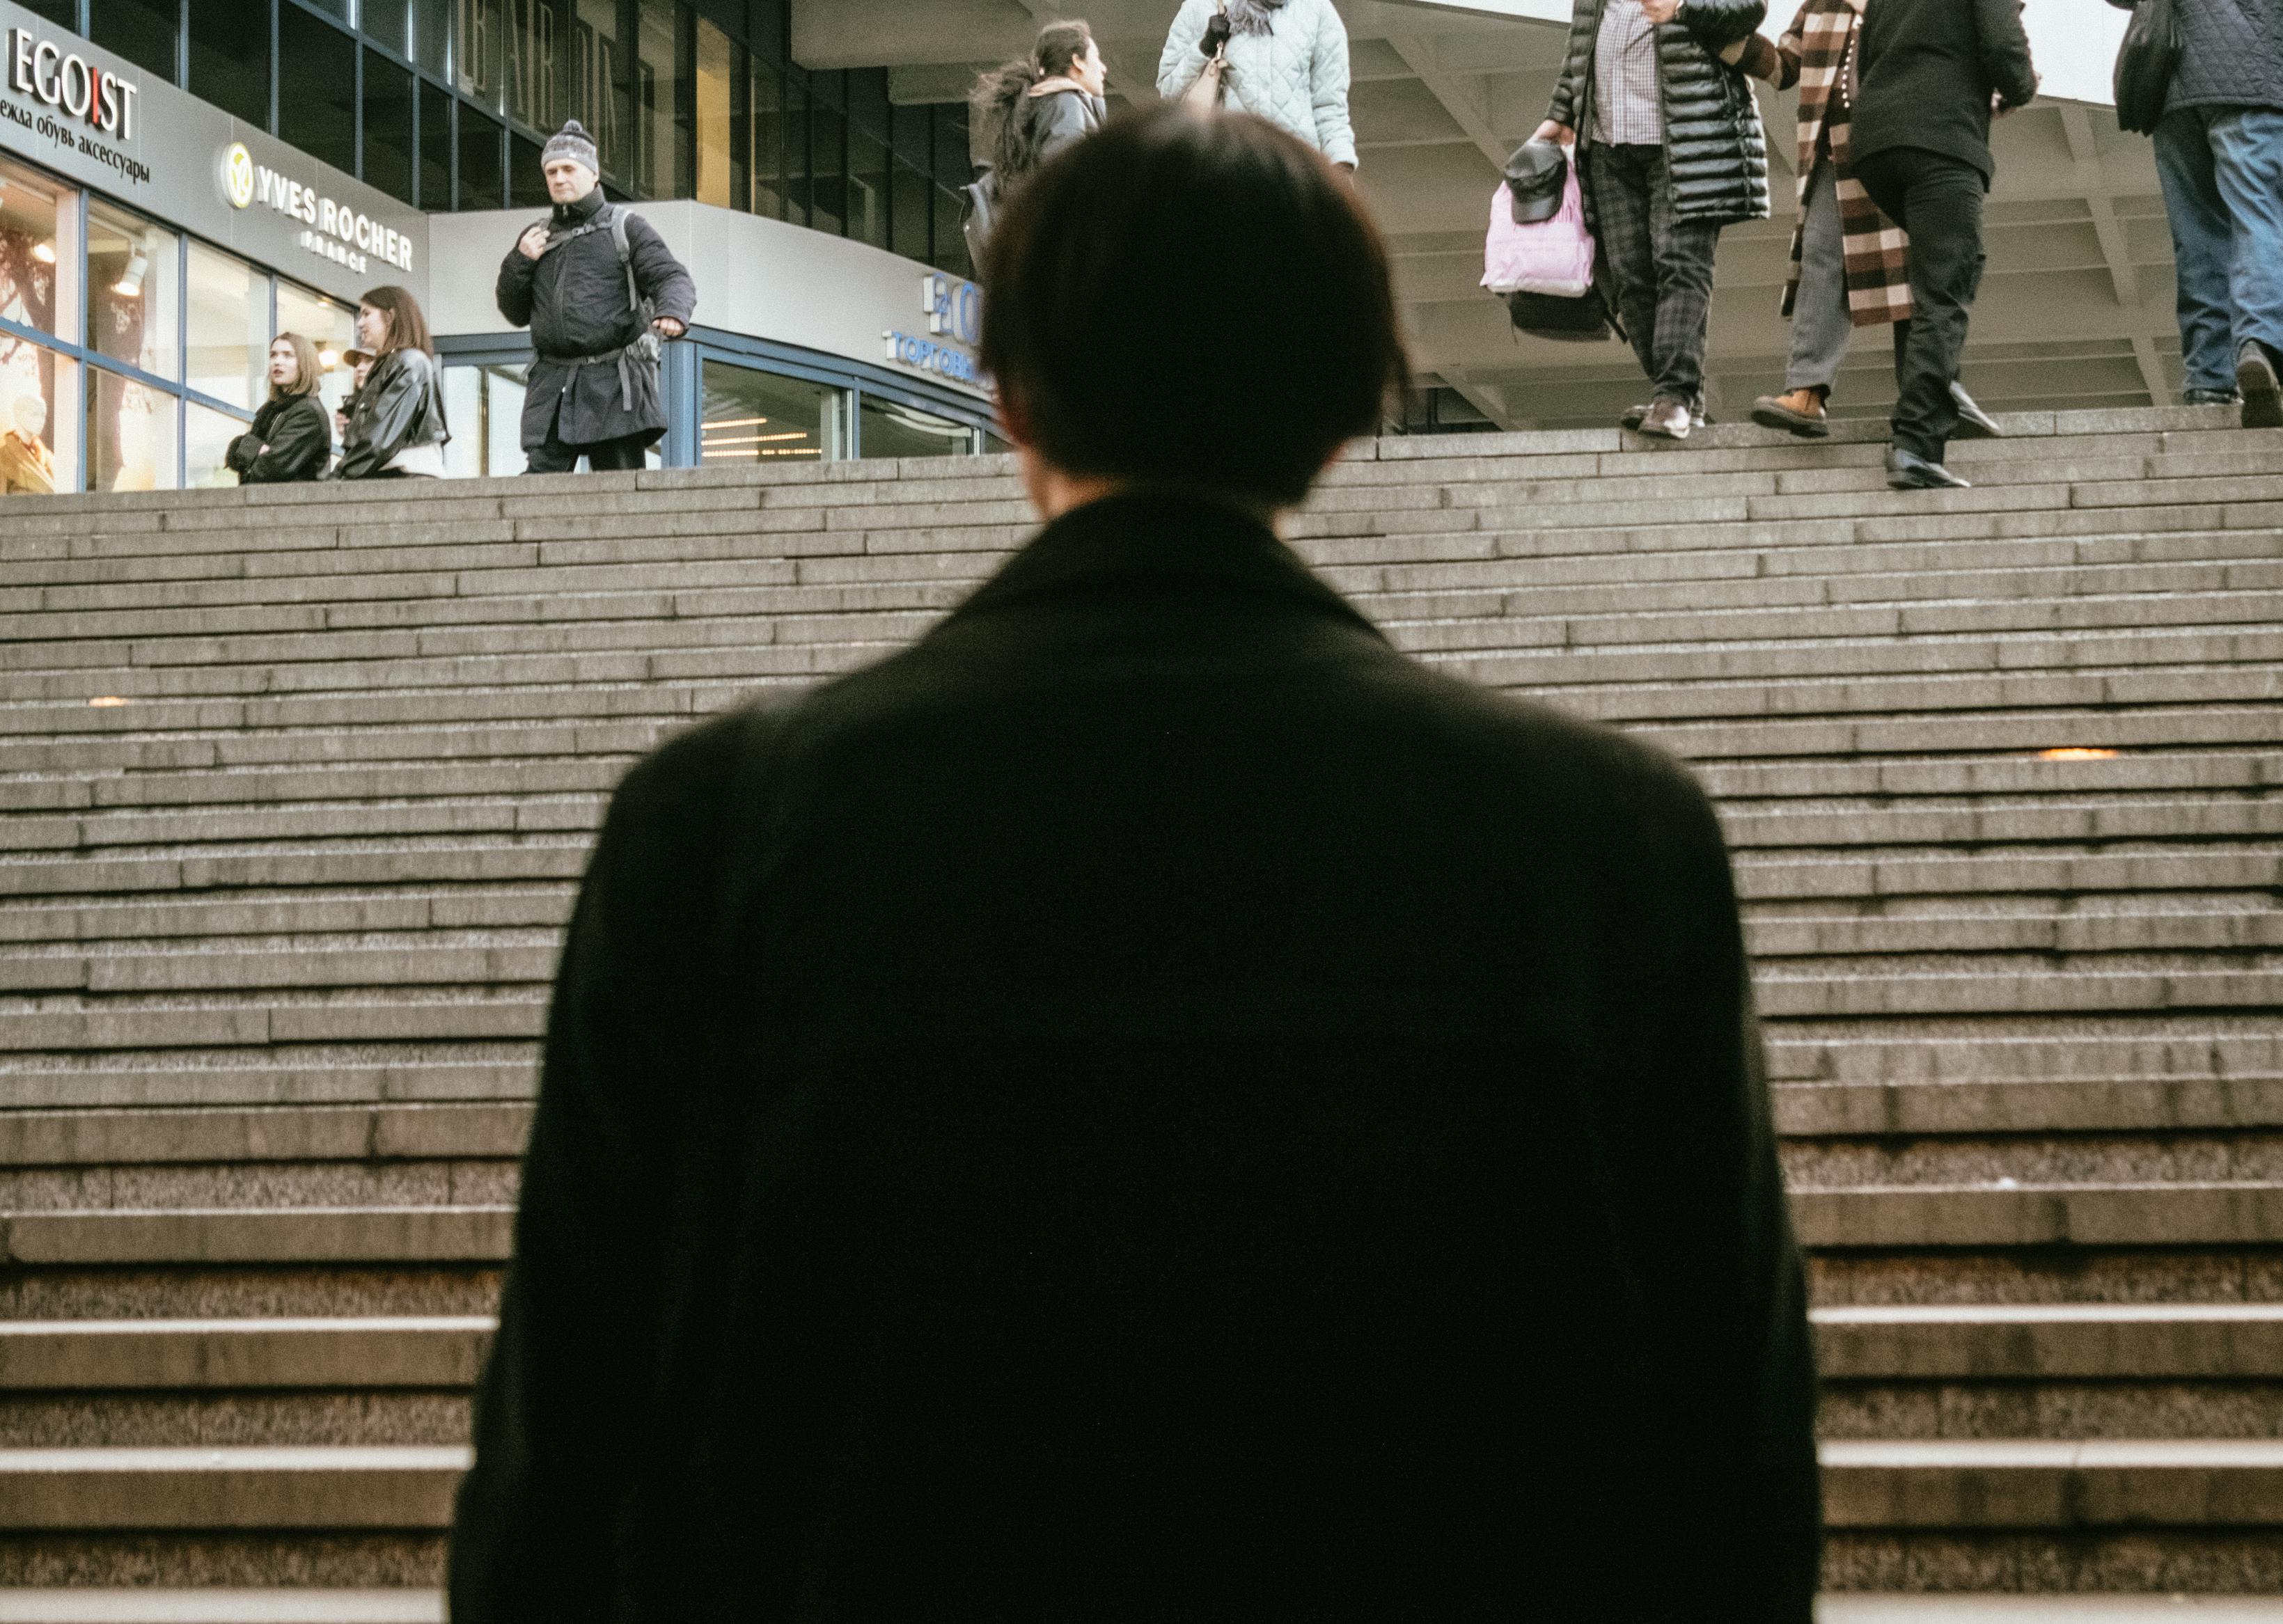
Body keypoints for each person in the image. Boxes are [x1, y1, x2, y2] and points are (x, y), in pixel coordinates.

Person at [448, 106, 1819, 1621]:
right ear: (1341, 410)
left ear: (1009, 392)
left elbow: (560, 1461)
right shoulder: (1606, 848)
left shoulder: (711, 830)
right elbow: (1730, 1466)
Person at [1735, 4, 2002, 441]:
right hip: (1836, 152)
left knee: (1919, 270)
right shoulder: (1823, 4)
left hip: (1906, 139)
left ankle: (1938, 391)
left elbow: (1971, 44)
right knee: (1822, 258)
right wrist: (1718, 30)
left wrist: (1993, 87)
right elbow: (1784, 67)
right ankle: (1806, 393)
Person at [1530, 0, 1774, 440]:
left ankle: (1675, 397)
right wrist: (1560, 113)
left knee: (1680, 264)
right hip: (1608, 147)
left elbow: (1749, 9)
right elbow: (1580, 47)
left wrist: (1683, 7)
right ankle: (1676, 397)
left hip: (1684, 142)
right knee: (1630, 277)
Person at [2106, 0, 2283, 425]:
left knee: (2197, 238)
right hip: (2256, 74)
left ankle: (2208, 379)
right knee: (2263, 217)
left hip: (2173, 85)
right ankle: (2260, 344)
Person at [1848, 0, 2037, 489]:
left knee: (1940, 270)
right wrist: (2020, 88)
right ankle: (1915, 444)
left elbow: (1864, 62)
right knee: (1944, 292)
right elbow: (2003, 44)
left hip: (1877, 145)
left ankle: (1940, 386)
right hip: (1941, 138)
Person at [496, 121, 696, 474]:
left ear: (593, 173)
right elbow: (514, 312)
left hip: (614, 385)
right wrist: (519, 261)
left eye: (568, 169)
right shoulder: (535, 236)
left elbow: (671, 276)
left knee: (620, 489)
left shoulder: (627, 226)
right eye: (551, 171)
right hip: (552, 387)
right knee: (538, 488)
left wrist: (673, 311)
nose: (559, 179)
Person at [1156, 0, 1356, 171]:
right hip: (1226, 170)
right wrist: (1204, 46)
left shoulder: (1315, 8)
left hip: (1296, 174)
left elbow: (1329, 108)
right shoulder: (1200, 6)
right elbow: (1169, 94)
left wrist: (1342, 168)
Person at [974, 19, 1108, 201]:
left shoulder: (1042, 104)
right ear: (1078, 61)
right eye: (1097, 58)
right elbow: (1063, 185)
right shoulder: (1067, 104)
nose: (1103, 68)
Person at [330, 287, 448, 480]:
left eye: (367, 314)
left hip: (405, 482)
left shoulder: (409, 362)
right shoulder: (399, 363)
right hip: (395, 480)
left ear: (390, 316)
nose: (360, 324)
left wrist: (338, 475)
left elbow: (379, 439)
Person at [224, 333, 332, 484]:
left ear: (304, 363)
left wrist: (250, 449)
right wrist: (255, 449)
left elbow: (271, 468)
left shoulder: (308, 412)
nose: (277, 361)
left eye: (288, 356)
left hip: (293, 504)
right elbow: (236, 457)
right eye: (273, 355)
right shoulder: (271, 410)